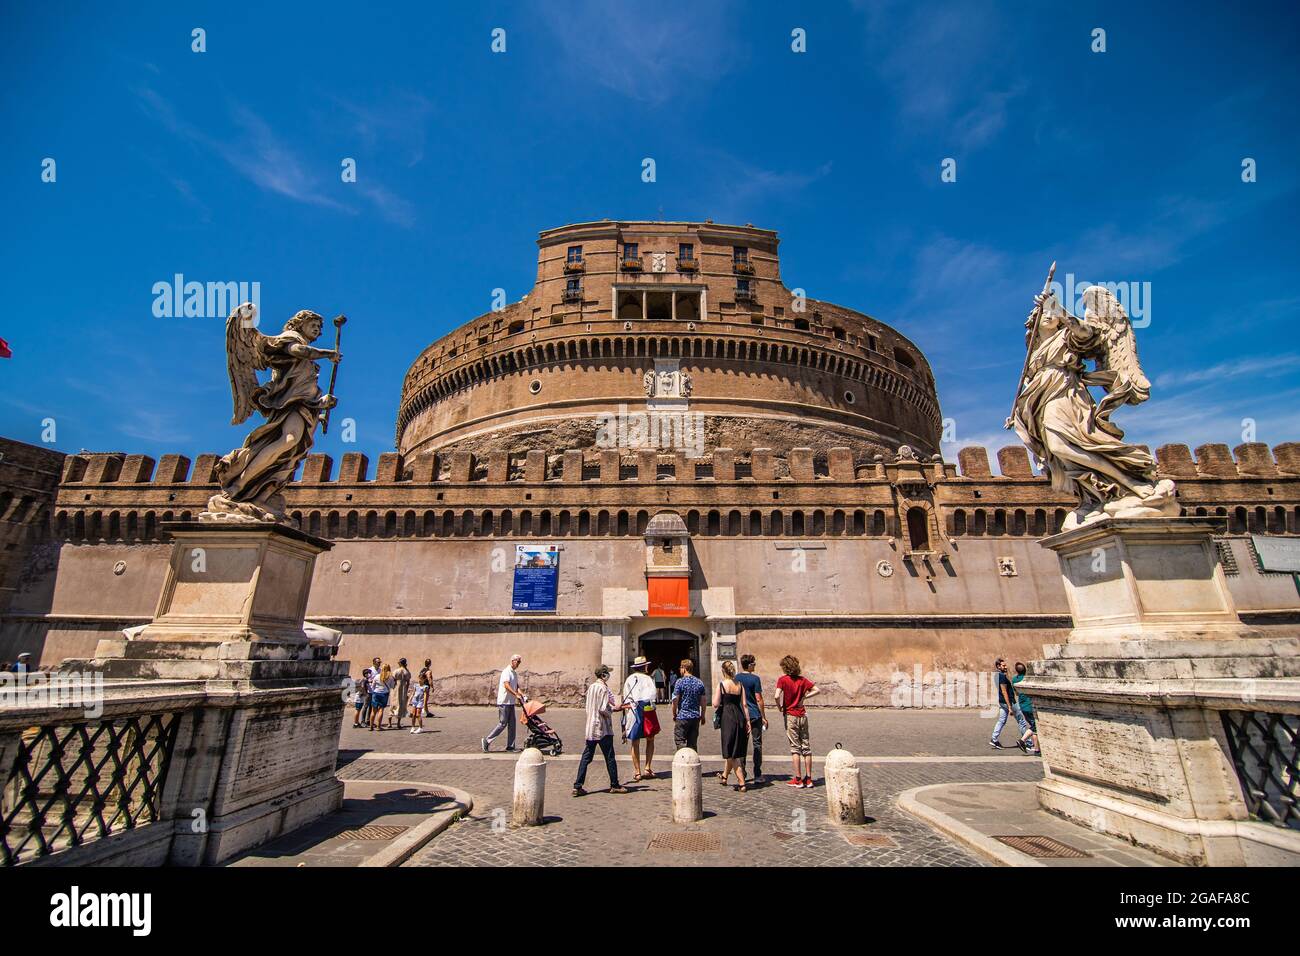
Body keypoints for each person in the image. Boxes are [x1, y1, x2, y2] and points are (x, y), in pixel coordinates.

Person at [573, 665, 629, 796]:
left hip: (590, 727)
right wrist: (615, 709)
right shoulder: (603, 688)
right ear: (603, 675)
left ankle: (577, 786)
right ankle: (614, 785)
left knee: (586, 757)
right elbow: (603, 708)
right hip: (602, 728)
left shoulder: (592, 687)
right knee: (610, 757)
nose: (609, 675)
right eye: (607, 673)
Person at [775, 655, 819, 788]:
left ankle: (798, 779)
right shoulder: (802, 680)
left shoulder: (783, 680)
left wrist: (779, 707)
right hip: (802, 715)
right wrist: (804, 698)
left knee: (795, 748)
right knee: (806, 747)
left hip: (790, 716)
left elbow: (776, 696)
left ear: (785, 667)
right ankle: (809, 779)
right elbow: (817, 690)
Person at [621, 656, 661, 780]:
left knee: (635, 742)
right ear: (644, 667)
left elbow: (626, 698)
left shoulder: (629, 679)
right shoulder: (648, 679)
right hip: (648, 710)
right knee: (650, 739)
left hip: (633, 712)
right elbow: (653, 696)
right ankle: (647, 768)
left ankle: (637, 771)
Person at [714, 660, 750, 791]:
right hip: (739, 717)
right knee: (733, 748)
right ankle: (724, 777)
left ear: (723, 671)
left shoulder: (721, 685)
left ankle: (742, 783)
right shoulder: (740, 685)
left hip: (727, 718)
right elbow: (744, 705)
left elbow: (715, 704)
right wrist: (748, 721)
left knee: (731, 753)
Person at [735, 654, 768, 784]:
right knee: (757, 744)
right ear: (749, 665)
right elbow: (759, 698)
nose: (755, 665)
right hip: (754, 715)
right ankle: (757, 774)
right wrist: (764, 717)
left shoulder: (736, 678)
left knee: (742, 745)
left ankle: (742, 773)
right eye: (753, 664)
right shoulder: (755, 679)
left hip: (742, 715)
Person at [481, 654, 525, 752]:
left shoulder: (514, 673)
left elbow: (516, 686)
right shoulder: (506, 672)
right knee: (503, 723)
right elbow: (506, 685)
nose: (519, 664)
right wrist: (516, 694)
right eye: (518, 661)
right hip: (504, 702)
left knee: (512, 724)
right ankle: (487, 741)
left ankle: (510, 746)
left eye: (520, 662)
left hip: (510, 702)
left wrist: (522, 694)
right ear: (513, 661)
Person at [990, 657, 1033, 751]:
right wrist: (1009, 706)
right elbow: (1004, 691)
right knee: (1021, 721)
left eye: (1005, 665)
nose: (1006, 667)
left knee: (1001, 721)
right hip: (1009, 702)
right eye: (1003, 665)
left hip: (1002, 702)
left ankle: (994, 739)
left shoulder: (996, 675)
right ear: (998, 666)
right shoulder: (1001, 676)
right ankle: (1028, 743)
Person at [671, 659, 707, 751]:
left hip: (682, 716)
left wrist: (674, 713)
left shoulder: (680, 682)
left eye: (680, 668)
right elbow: (703, 701)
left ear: (684, 668)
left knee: (680, 741)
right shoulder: (699, 682)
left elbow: (675, 700)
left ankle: (683, 757)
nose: (680, 670)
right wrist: (703, 715)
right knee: (692, 743)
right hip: (695, 717)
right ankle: (692, 759)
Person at [1012, 662, 1040, 754]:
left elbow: (1016, 693)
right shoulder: (1028, 679)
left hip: (1022, 706)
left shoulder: (1014, 679)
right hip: (1030, 705)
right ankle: (1022, 740)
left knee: (1034, 726)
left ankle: (1037, 750)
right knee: (1035, 726)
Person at [369, 664, 394, 731]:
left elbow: (373, 686)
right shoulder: (390, 677)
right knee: (381, 710)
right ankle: (378, 726)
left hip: (376, 693)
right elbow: (392, 686)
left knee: (373, 711)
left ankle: (371, 726)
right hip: (384, 694)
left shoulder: (377, 676)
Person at [390, 658, 412, 729]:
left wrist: (392, 687)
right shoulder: (407, 671)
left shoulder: (396, 671)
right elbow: (408, 682)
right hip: (403, 689)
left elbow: (392, 679)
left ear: (400, 663)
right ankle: (398, 723)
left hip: (396, 688)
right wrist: (406, 690)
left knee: (393, 703)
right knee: (400, 704)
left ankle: (389, 723)